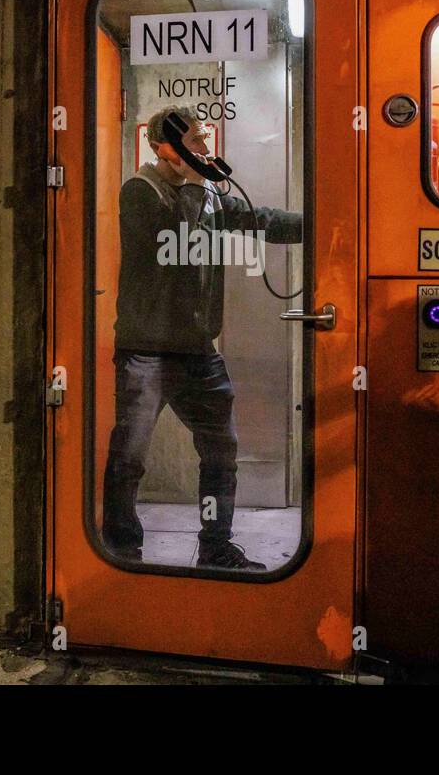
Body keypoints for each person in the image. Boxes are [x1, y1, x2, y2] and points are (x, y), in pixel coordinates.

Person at [102, 105, 302, 570]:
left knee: (220, 451)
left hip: (197, 352)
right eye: (194, 143)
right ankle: (121, 548)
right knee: (129, 457)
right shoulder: (139, 192)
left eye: (204, 140)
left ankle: (216, 546)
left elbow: (262, 219)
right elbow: (178, 238)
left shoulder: (208, 195)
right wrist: (195, 184)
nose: (205, 150)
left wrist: (321, 219)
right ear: (164, 148)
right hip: (146, 352)